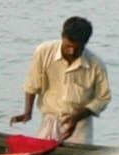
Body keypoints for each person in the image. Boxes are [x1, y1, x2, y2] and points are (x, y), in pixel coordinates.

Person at [9, 16, 112, 144]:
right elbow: (32, 84)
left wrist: (76, 117)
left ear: (85, 43)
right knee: (40, 154)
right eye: (68, 46)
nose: (72, 51)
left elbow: (103, 98)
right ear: (62, 36)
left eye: (77, 48)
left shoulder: (95, 64)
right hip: (50, 118)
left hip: (80, 123)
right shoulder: (43, 52)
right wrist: (27, 112)